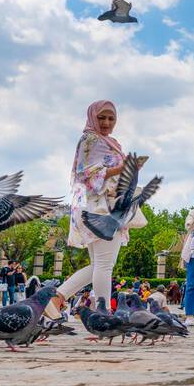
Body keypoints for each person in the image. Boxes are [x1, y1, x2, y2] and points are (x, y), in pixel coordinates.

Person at [58, 100, 135, 310]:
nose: (107, 122)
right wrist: (122, 168)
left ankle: (56, 298)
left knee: (98, 265)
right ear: (92, 116)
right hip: (102, 208)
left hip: (98, 206)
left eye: (111, 118)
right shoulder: (91, 140)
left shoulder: (104, 141)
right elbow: (85, 174)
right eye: (101, 117)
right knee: (104, 265)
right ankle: (104, 312)